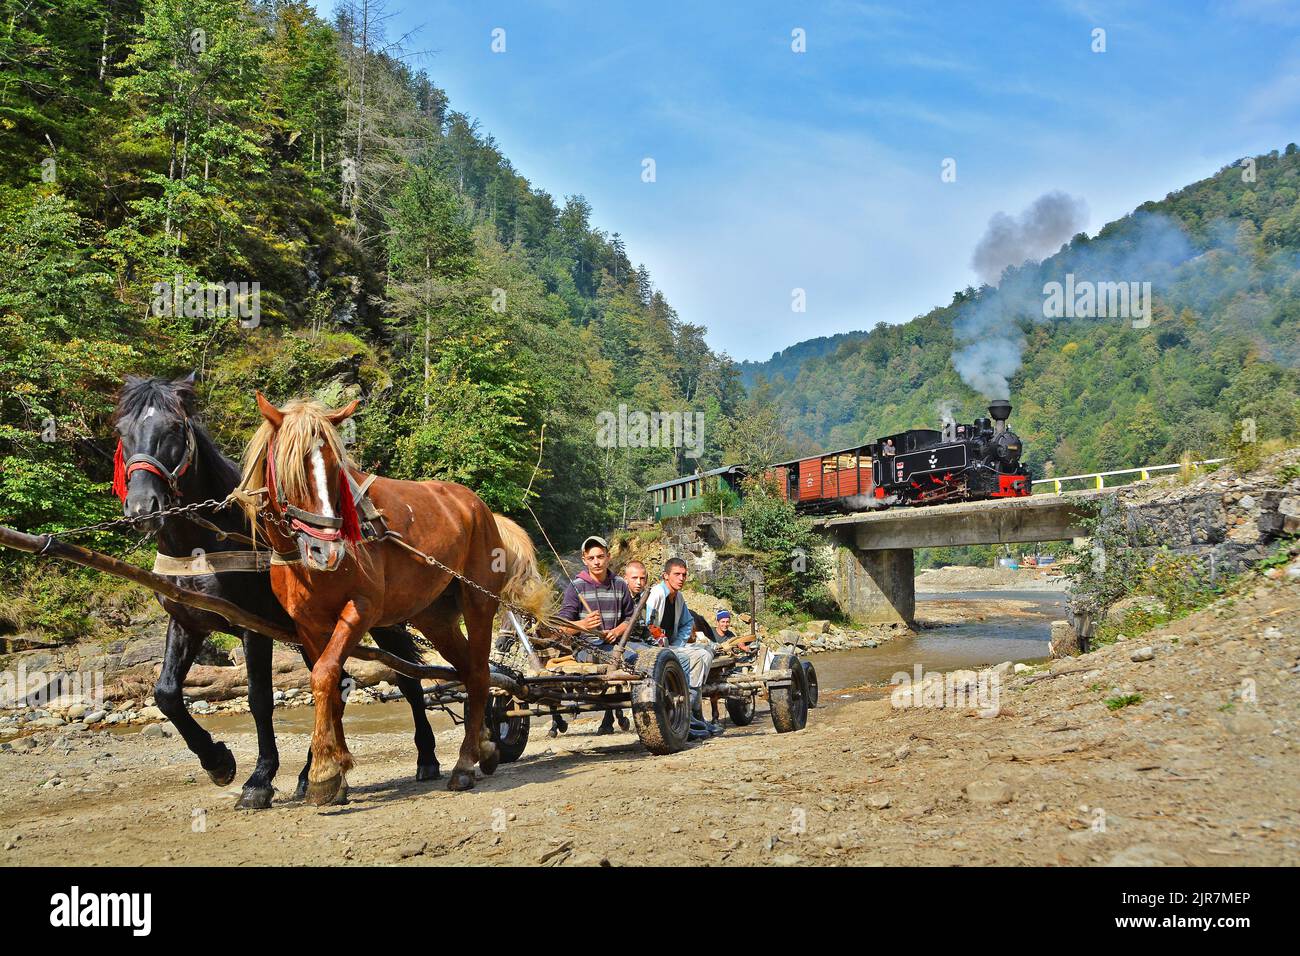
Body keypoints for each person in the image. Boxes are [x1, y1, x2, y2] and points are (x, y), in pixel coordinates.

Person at [554, 536, 641, 736]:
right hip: (587, 649)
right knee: (635, 659)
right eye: (591, 558)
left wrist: (617, 631)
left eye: (600, 556)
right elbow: (561, 628)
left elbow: (631, 618)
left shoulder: (619, 584)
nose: (597, 562)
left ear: (608, 557)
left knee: (653, 654)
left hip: (619, 644)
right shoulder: (576, 587)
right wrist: (582, 625)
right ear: (584, 560)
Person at [643, 558, 723, 740]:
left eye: (684, 575)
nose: (681, 578)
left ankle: (694, 712)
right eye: (676, 574)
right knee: (688, 658)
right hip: (654, 647)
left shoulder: (678, 597)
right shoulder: (656, 595)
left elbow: (688, 622)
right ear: (665, 576)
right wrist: (662, 643)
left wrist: (678, 642)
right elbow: (648, 625)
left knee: (704, 653)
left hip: (672, 646)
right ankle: (685, 716)